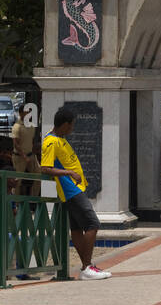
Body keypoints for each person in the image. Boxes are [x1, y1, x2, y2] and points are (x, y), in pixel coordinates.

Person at [40, 107, 110, 280]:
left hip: (74, 188)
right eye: (71, 125)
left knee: (77, 228)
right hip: (69, 190)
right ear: (64, 125)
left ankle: (87, 267)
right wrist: (69, 174)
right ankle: (87, 267)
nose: (72, 129)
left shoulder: (60, 139)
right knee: (93, 223)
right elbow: (45, 168)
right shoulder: (51, 141)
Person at [10, 103, 38, 196]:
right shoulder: (17, 126)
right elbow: (16, 144)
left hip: (31, 155)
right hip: (19, 157)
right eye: (26, 112)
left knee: (39, 176)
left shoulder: (31, 126)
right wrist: (24, 156)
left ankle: (33, 200)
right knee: (17, 181)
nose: (28, 115)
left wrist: (34, 154)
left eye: (29, 112)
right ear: (21, 113)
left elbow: (32, 141)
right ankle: (15, 205)